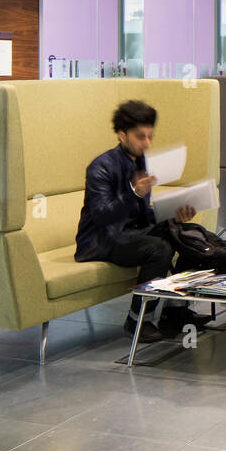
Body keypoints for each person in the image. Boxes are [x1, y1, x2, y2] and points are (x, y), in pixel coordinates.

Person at [74, 100, 207, 343]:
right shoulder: (100, 167)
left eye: (150, 137)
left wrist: (173, 216)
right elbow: (103, 216)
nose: (146, 143)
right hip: (102, 240)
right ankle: (137, 320)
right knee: (159, 248)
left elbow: (143, 216)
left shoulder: (142, 163)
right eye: (140, 137)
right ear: (122, 135)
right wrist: (134, 192)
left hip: (131, 234)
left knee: (188, 234)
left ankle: (175, 311)